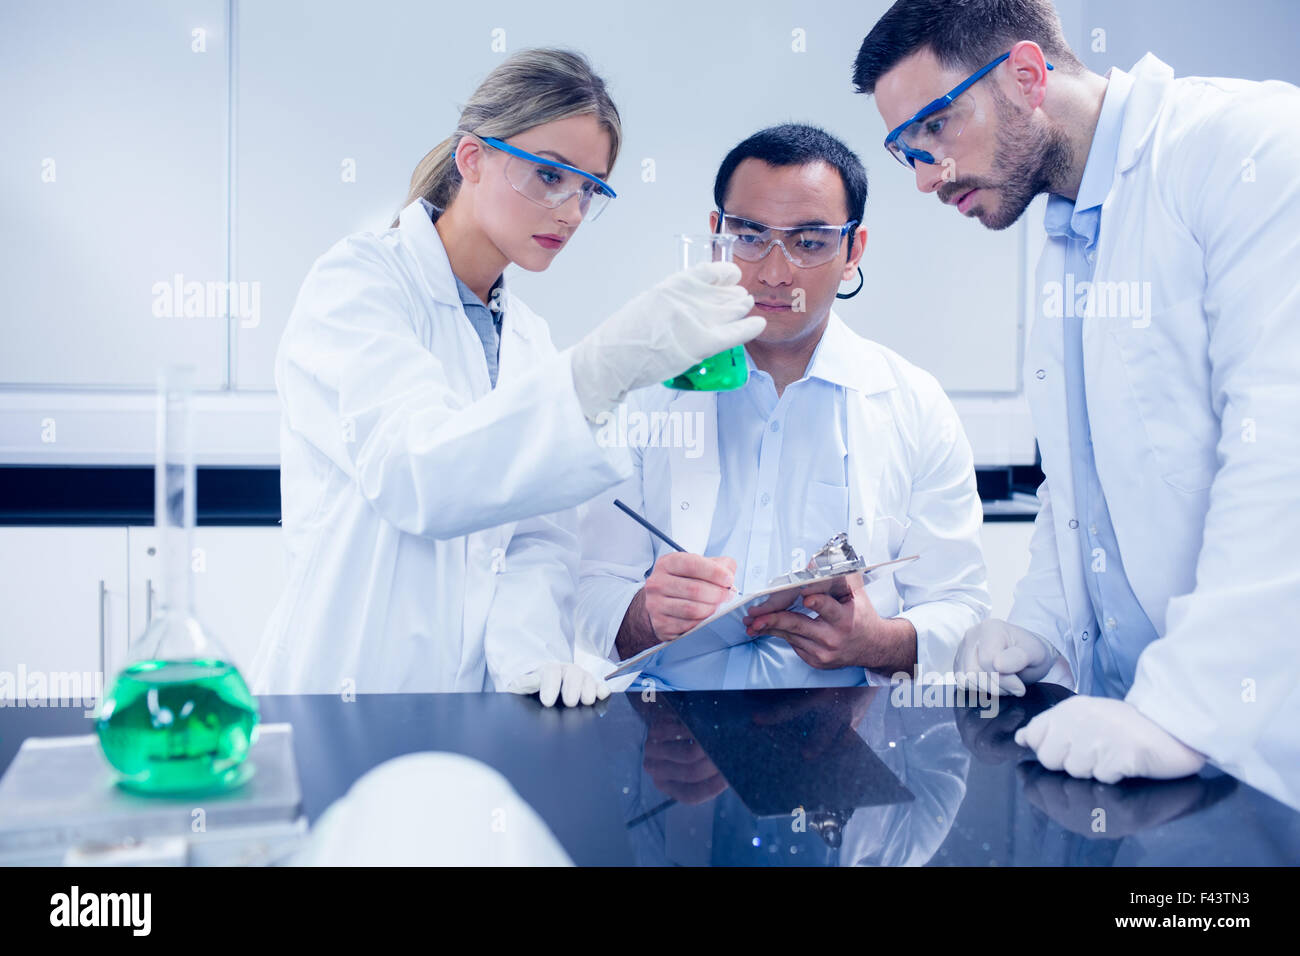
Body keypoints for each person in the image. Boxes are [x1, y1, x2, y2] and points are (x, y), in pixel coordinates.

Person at [854, 0, 1300, 802]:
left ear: (1027, 75)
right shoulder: (1067, 230)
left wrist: (1184, 710)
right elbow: (1083, 476)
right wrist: (1040, 626)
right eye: (904, 152)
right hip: (1139, 752)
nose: (926, 178)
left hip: (1258, 743)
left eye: (935, 128)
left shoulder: (1250, 149)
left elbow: (1282, 457)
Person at [250, 48, 765, 706]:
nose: (572, 211)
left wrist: (531, 661)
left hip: (471, 714)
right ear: (472, 159)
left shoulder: (527, 340)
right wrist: (605, 363)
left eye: (591, 188)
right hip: (342, 693)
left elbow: (536, 538)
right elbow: (420, 475)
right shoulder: (359, 284)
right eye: (551, 176)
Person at [577, 125, 990, 690]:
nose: (774, 272)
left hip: (841, 741)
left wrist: (877, 641)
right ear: (715, 235)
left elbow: (961, 608)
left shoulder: (914, 406)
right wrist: (645, 616)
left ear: (853, 251)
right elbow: (588, 588)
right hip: (671, 734)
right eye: (749, 236)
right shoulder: (647, 392)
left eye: (809, 241)